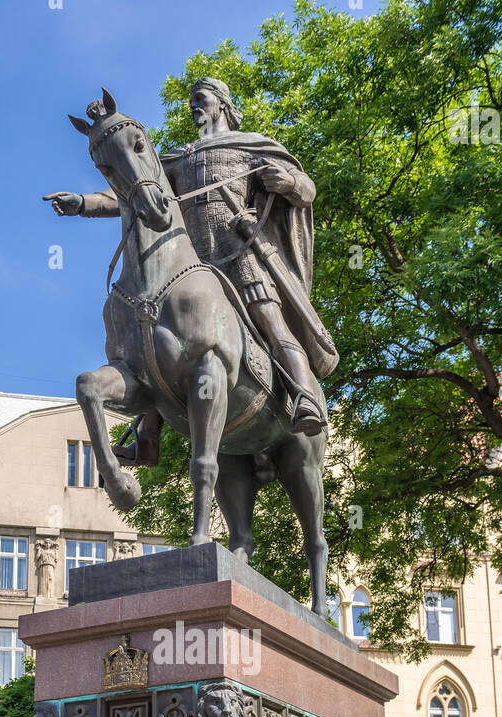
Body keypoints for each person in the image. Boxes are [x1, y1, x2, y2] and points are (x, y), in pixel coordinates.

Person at [48, 76, 338, 456]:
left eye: (200, 99)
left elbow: (305, 187)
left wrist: (286, 181)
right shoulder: (180, 158)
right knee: (155, 341)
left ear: (221, 102)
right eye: (192, 102)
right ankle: (147, 435)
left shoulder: (250, 146)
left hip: (240, 255)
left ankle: (305, 397)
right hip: (192, 268)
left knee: (269, 319)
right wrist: (83, 203)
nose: (194, 106)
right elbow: (134, 188)